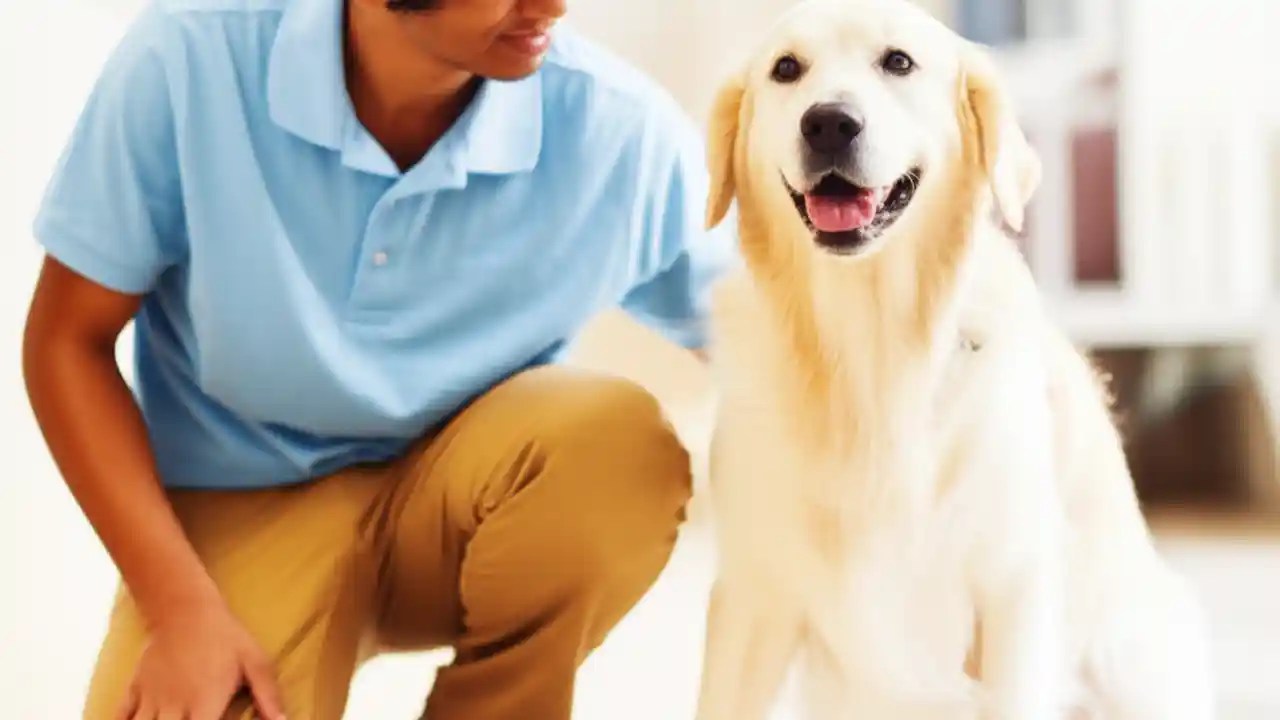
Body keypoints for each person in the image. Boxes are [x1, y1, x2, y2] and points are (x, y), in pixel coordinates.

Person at [21, 0, 736, 718]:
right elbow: (66, 341)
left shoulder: (618, 130)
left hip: (464, 507)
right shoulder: (191, 56)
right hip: (235, 503)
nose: (552, 6)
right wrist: (180, 610)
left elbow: (772, 343)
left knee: (614, 447)